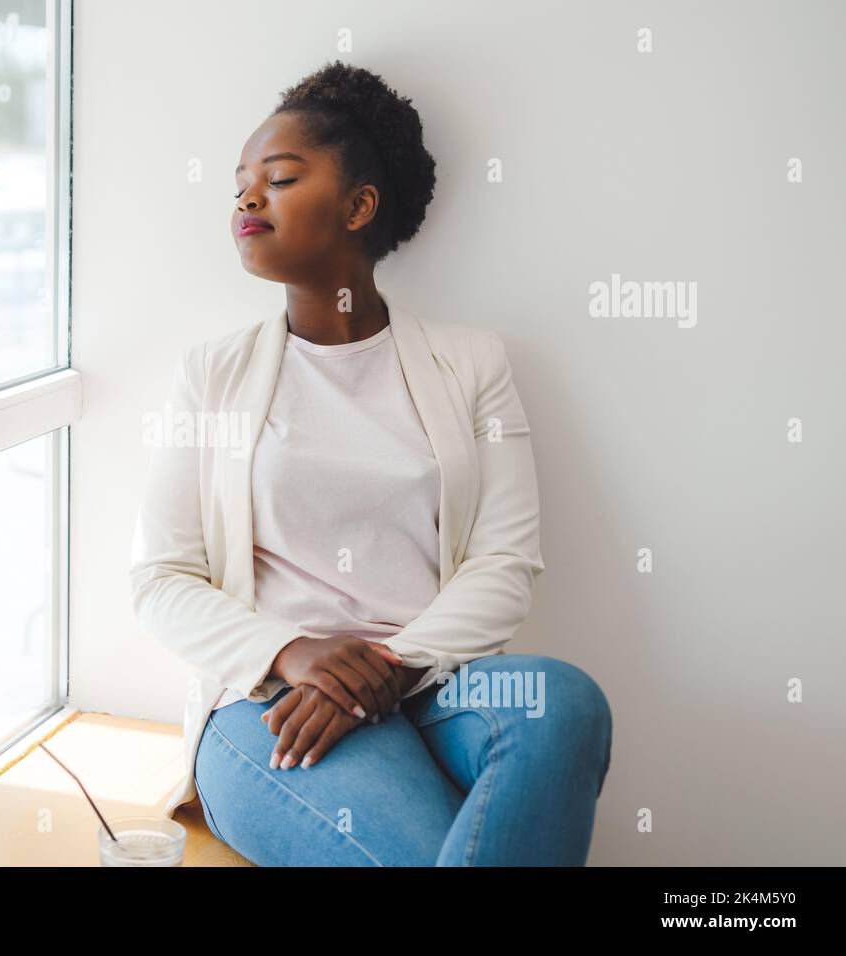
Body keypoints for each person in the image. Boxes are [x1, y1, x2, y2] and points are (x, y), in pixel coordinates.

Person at [129, 60, 612, 865]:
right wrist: (296, 654)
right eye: (240, 184)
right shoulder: (210, 373)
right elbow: (161, 578)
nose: (248, 199)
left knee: (564, 702)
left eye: (280, 179)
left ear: (359, 206)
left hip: (433, 684)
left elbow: (504, 560)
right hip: (272, 703)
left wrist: (391, 664)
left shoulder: (472, 364)